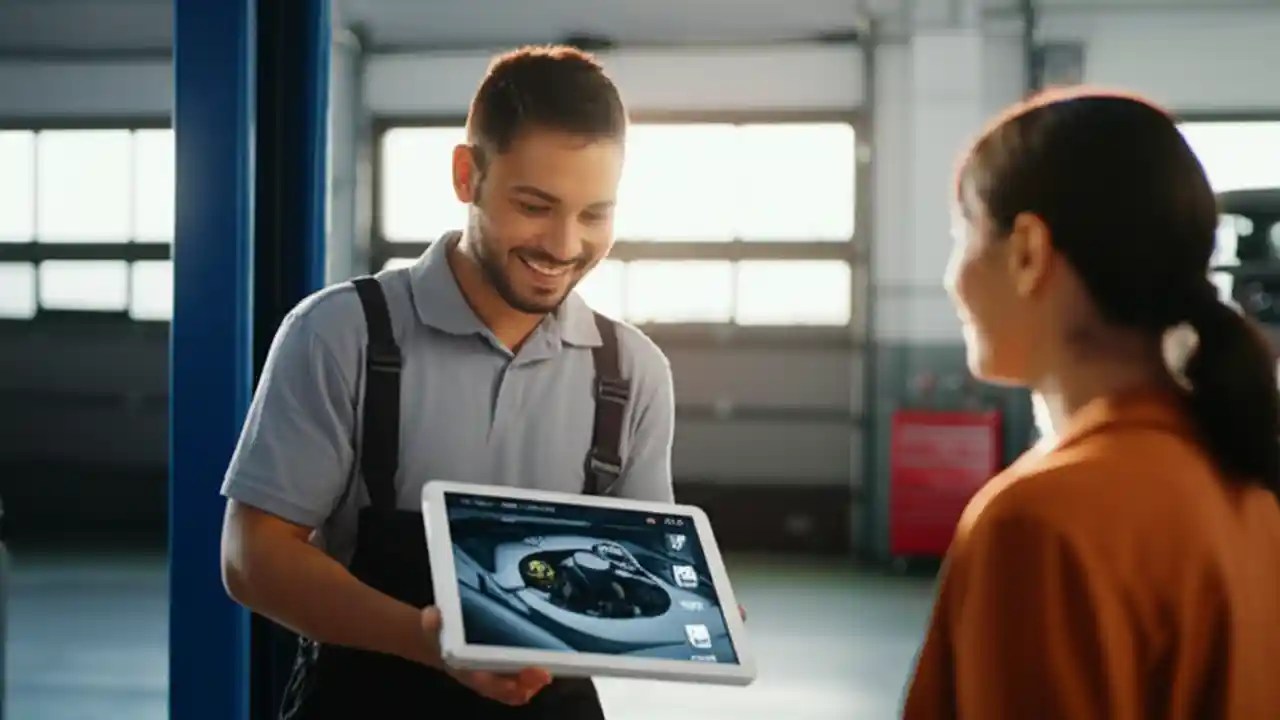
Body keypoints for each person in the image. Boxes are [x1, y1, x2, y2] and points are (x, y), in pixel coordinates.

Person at [219, 45, 676, 719]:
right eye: (534, 205)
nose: (564, 243)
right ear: (468, 175)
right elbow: (252, 558)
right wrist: (428, 640)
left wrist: (690, 609)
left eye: (593, 214)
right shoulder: (341, 333)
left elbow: (643, 570)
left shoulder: (632, 371)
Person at [903, 88, 1280, 718]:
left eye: (960, 232)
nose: (952, 278)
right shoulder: (1247, 489)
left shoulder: (1041, 521)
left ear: (1028, 252)